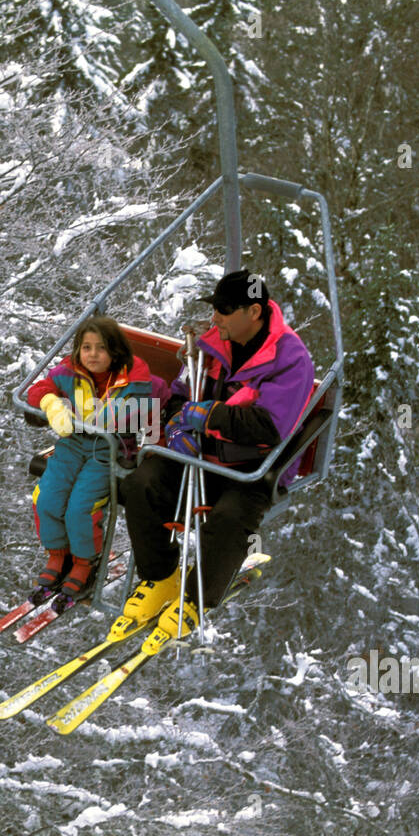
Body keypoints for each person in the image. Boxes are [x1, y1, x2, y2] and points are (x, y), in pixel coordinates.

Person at [114, 269, 316, 641]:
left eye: (224, 309)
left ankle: (194, 598)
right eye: (215, 308)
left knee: (230, 516)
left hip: (253, 467)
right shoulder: (210, 347)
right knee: (142, 483)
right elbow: (179, 394)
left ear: (253, 312)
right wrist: (177, 427)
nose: (215, 317)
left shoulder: (290, 359)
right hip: (200, 454)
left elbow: (268, 427)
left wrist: (208, 416)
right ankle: (160, 577)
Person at [28, 316, 168, 599]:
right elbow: (39, 388)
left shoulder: (135, 381)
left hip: (111, 448)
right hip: (73, 443)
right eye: (86, 348)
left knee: (82, 506)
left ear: (115, 352)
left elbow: (158, 404)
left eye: (101, 348)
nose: (92, 355)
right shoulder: (70, 372)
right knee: (46, 498)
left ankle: (84, 562)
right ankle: (58, 555)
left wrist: (154, 447)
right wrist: (51, 404)